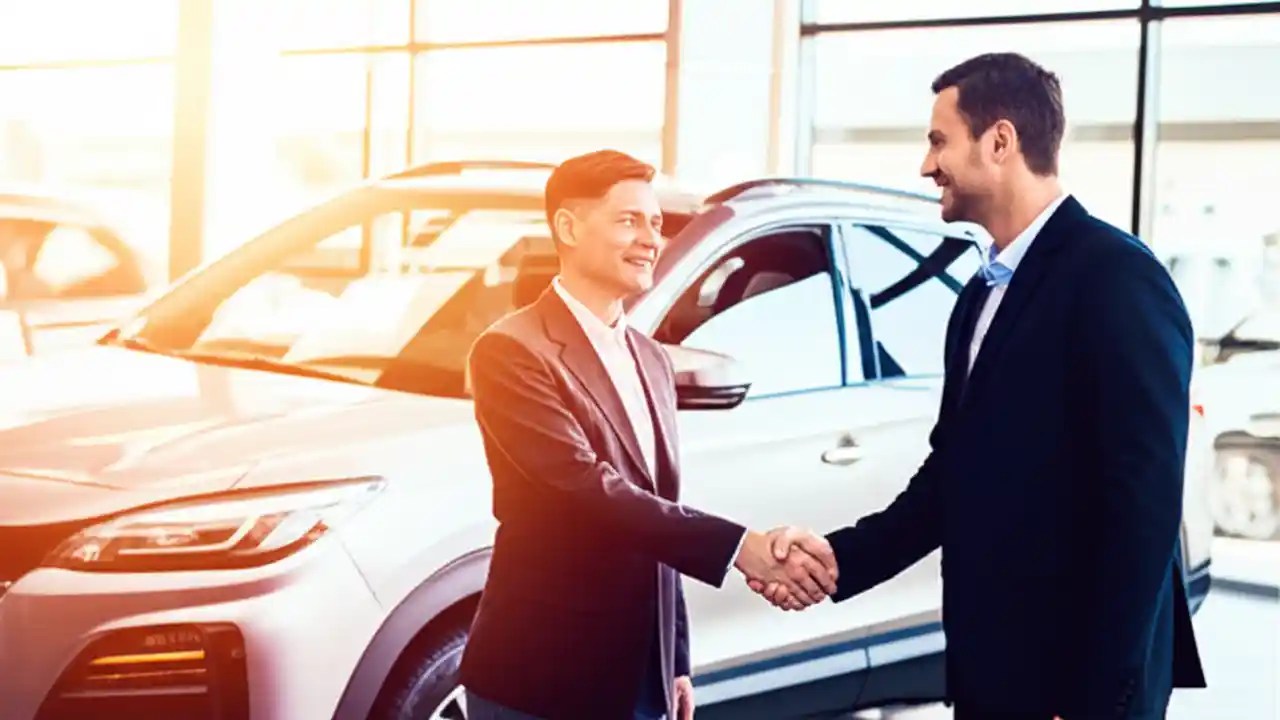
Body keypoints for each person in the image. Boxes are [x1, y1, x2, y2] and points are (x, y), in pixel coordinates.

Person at [756, 53, 1206, 718]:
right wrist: (839, 558)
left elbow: (1140, 512)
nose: (925, 164)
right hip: (993, 669)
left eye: (939, 140)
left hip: (1070, 687)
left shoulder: (1118, 279)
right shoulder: (979, 294)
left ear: (1000, 142)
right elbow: (954, 476)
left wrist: (1088, 702)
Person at [459, 149, 838, 720]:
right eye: (628, 220)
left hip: (636, 680)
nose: (649, 240)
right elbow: (582, 491)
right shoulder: (512, 350)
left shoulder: (652, 359)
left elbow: (658, 510)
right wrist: (741, 549)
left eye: (656, 224)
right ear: (567, 226)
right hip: (541, 679)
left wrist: (673, 662)